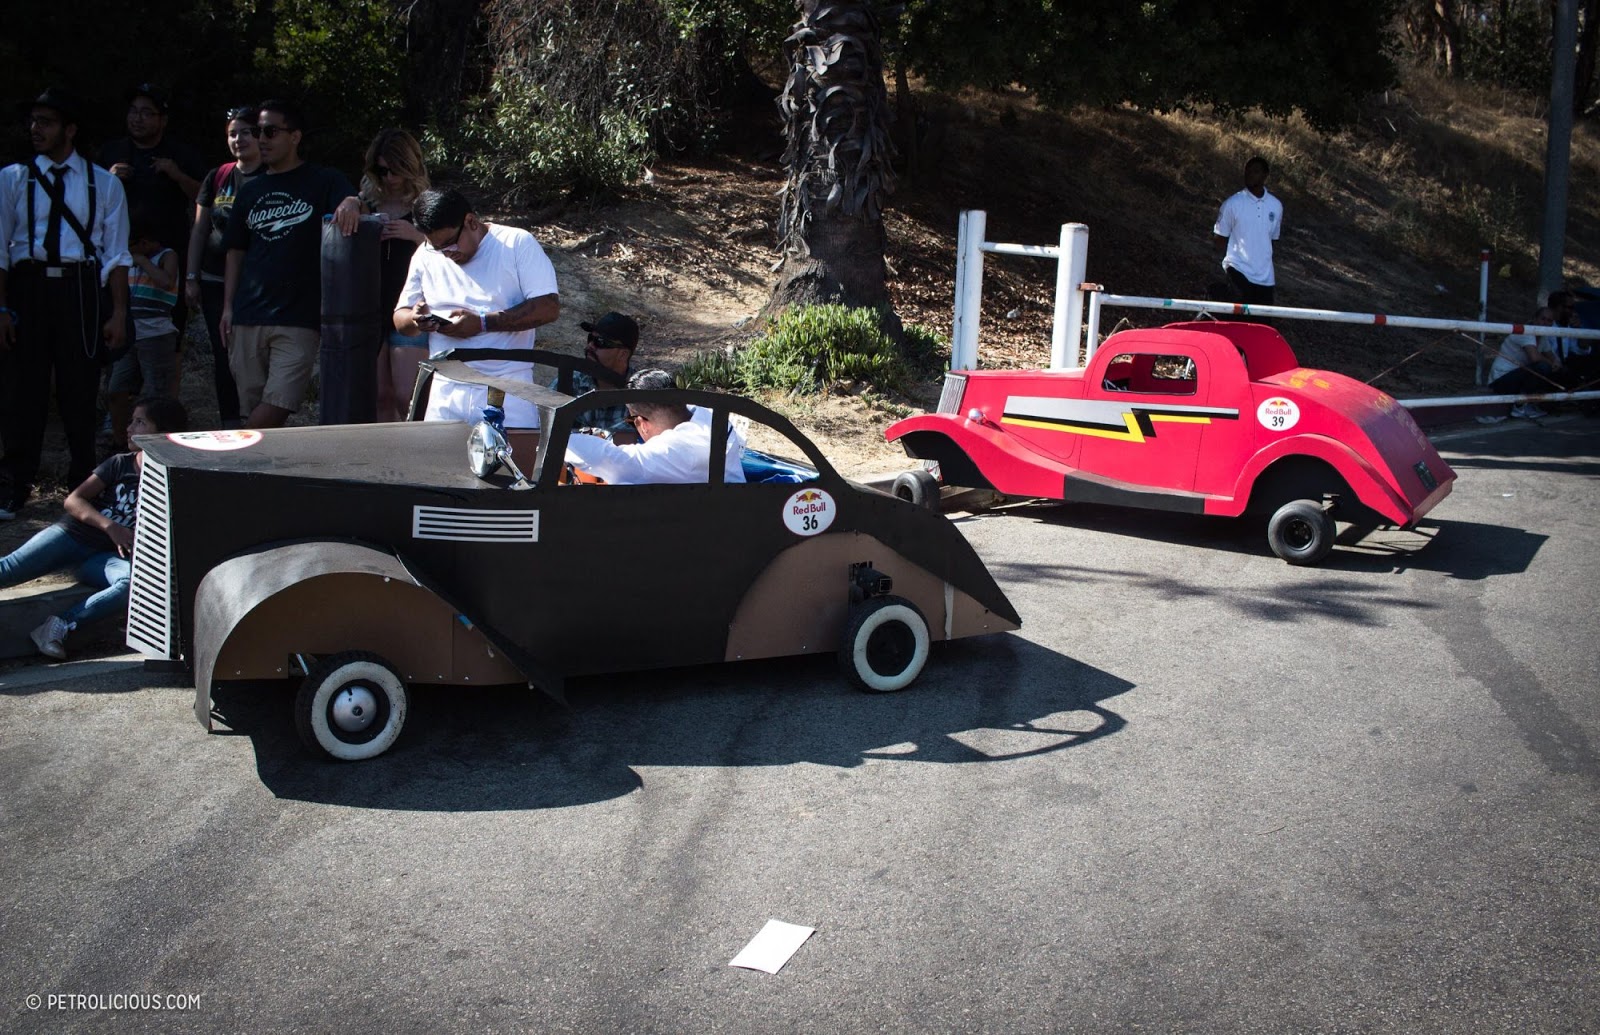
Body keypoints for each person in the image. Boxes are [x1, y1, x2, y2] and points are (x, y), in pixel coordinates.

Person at [0, 88, 132, 523]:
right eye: (33, 121)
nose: (36, 129)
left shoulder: (103, 183)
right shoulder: (12, 178)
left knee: (80, 389)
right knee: (24, 390)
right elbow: (1, 249)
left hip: (80, 290)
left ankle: (82, 488)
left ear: (69, 130)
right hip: (29, 287)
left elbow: (115, 254)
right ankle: (15, 486)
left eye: (47, 122)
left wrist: (117, 312)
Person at [0, 395, 187, 659]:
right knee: (6, 571)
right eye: (131, 420)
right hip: (72, 537)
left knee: (132, 584)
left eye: (140, 422)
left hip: (104, 558)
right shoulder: (120, 463)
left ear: (164, 432)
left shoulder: (176, 476)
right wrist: (111, 527)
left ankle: (57, 627)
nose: (129, 427)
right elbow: (73, 500)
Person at [220, 99, 361, 429]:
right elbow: (236, 250)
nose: (262, 139)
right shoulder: (250, 191)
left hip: (299, 317)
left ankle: (230, 454)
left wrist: (353, 201)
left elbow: (353, 203)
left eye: (270, 131)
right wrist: (227, 307)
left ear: (295, 136)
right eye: (258, 132)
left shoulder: (323, 180)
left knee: (279, 402)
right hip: (247, 314)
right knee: (250, 405)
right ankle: (258, 475)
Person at [394, 188, 560, 428]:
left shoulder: (515, 243)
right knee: (440, 465)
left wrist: (482, 323)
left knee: (512, 464)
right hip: (446, 389)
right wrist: (415, 320)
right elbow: (400, 318)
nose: (447, 254)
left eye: (450, 244)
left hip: (506, 387)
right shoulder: (425, 254)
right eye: (437, 247)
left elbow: (548, 307)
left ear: (470, 221)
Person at [100, 83, 206, 392]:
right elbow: (86, 202)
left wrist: (176, 175)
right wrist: (108, 177)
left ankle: (163, 408)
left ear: (162, 119)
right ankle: (115, 410)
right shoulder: (112, 152)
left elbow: (205, 197)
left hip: (167, 258)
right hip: (120, 257)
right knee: (115, 330)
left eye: (147, 113)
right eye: (133, 111)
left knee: (168, 334)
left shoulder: (180, 154)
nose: (138, 119)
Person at [185, 106, 263, 428]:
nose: (238, 139)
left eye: (246, 131)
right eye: (232, 133)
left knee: (255, 355)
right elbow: (200, 229)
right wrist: (191, 277)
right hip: (214, 280)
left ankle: (256, 420)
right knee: (224, 354)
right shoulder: (218, 176)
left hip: (256, 285)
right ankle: (230, 422)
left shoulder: (272, 176)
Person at [564, 369, 746, 485]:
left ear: (640, 423)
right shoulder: (709, 415)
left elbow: (613, 462)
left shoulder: (675, 450)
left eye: (631, 421)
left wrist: (558, 441)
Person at [360, 129, 431, 422]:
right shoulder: (367, 200)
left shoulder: (425, 205)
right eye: (382, 170)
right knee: (380, 395)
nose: (389, 178)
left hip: (411, 304)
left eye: (395, 170)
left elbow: (451, 253)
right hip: (373, 304)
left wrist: (414, 235)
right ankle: (387, 460)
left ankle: (418, 454)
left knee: (408, 396)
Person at [105, 213, 179, 450]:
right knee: (116, 389)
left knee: (155, 394)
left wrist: (143, 261)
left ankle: (155, 448)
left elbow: (166, 281)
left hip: (157, 334)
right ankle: (119, 443)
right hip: (130, 333)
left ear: (145, 243)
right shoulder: (127, 263)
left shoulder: (167, 255)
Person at [1213, 156, 1282, 306]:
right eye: (1247, 171)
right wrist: (1235, 258)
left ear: (1265, 175)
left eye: (1255, 171)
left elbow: (1272, 239)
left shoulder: (1276, 206)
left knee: (1261, 324)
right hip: (1238, 270)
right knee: (1239, 317)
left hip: (1265, 277)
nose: (1250, 175)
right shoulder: (1232, 204)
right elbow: (1219, 238)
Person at [558, 310, 638, 434]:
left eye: (600, 342)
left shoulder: (640, 394)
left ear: (623, 354)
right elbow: (540, 426)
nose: (590, 346)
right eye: (590, 338)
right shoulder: (570, 382)